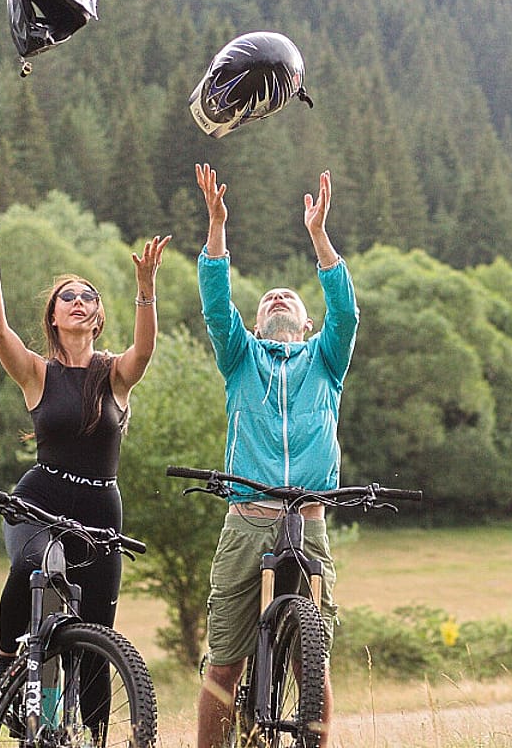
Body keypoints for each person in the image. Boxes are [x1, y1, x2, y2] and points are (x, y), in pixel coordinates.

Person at [0, 202, 170, 704]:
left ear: (99, 316)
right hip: (37, 502)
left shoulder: (115, 374)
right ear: (54, 317)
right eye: (68, 297)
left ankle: (92, 732)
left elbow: (143, 351)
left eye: (89, 296)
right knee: (42, 563)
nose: (79, 301)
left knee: (98, 641)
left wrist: (146, 291)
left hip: (102, 508)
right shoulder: (37, 373)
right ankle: (3, 661)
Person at [193, 163, 358, 748]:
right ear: (258, 324)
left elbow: (348, 313)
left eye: (287, 296)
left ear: (308, 322)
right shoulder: (241, 358)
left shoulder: (326, 360)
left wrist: (319, 237)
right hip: (247, 521)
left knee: (313, 664)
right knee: (225, 663)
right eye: (267, 300)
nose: (277, 298)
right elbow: (215, 303)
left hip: (309, 523)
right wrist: (217, 228)